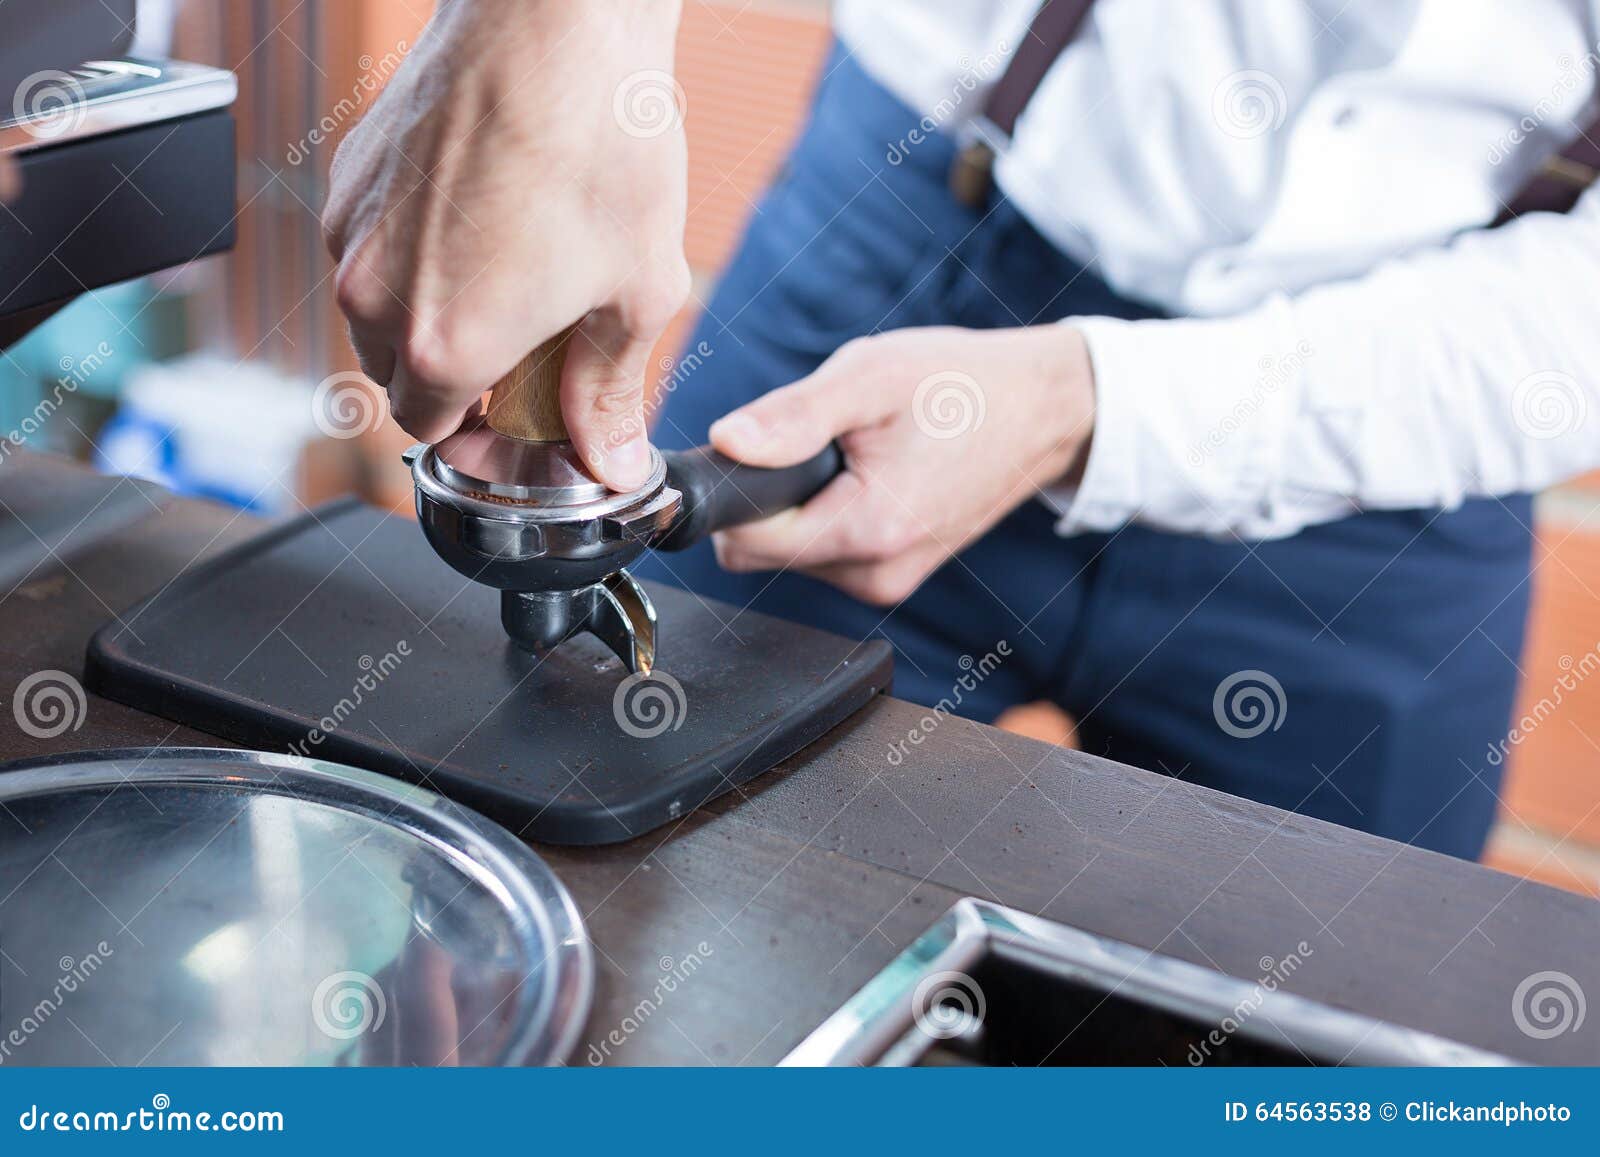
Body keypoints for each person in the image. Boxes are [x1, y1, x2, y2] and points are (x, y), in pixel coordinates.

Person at [322, 0, 1600, 860]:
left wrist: (1088, 404)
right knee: (652, 922)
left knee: (1325, 1063)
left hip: (1408, 409)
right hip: (912, 239)